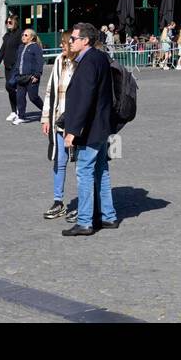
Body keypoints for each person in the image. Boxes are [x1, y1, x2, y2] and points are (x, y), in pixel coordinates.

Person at [61, 23, 119, 236]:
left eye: (73, 39)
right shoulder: (99, 57)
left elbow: (84, 99)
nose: (70, 42)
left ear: (85, 40)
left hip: (90, 128)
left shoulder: (87, 62)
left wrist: (73, 131)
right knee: (101, 170)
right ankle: (108, 216)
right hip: (102, 126)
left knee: (84, 172)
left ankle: (85, 221)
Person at [40, 32, 78, 219]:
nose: (63, 46)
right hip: (58, 120)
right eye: (62, 43)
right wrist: (46, 117)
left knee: (81, 164)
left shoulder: (80, 63)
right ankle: (58, 201)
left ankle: (84, 204)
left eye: (65, 43)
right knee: (59, 161)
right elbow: (49, 90)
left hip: (77, 122)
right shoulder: (58, 61)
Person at [0, 14, 23, 123]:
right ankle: (14, 111)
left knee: (11, 86)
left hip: (16, 66)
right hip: (7, 66)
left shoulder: (20, 34)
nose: (8, 24)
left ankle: (20, 110)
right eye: (7, 22)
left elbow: (21, 50)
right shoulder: (6, 36)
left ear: (15, 22)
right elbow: (2, 51)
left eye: (10, 22)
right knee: (10, 89)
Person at [11, 28, 45, 124]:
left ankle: (46, 111)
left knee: (33, 97)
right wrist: (16, 73)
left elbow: (40, 62)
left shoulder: (35, 47)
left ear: (32, 37)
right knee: (20, 97)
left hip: (32, 77)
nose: (23, 37)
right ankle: (21, 116)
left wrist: (37, 75)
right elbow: (18, 62)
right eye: (23, 35)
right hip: (21, 77)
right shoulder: (21, 47)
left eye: (26, 35)